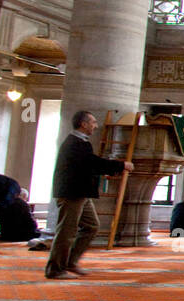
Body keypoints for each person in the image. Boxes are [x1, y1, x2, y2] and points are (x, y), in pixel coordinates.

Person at [45, 110, 134, 280]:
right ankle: (55, 269)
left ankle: (70, 262)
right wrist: (121, 165)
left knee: (91, 226)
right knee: (66, 231)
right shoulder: (75, 143)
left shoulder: (81, 143)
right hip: (72, 193)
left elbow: (88, 166)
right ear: (83, 124)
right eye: (92, 122)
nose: (95, 125)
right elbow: (92, 163)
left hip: (81, 192)